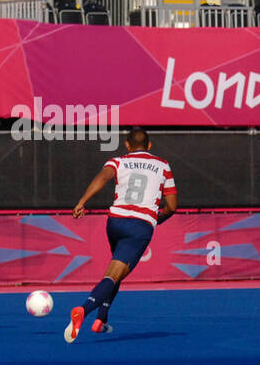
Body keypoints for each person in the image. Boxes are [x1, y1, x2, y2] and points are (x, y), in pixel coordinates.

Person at [64, 128, 177, 343]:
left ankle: (101, 319)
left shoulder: (117, 161)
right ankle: (83, 309)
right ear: (149, 146)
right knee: (114, 274)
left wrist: (82, 202)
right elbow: (172, 206)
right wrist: (156, 219)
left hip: (115, 222)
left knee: (115, 269)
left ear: (127, 145)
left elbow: (102, 178)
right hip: (140, 226)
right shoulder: (163, 166)